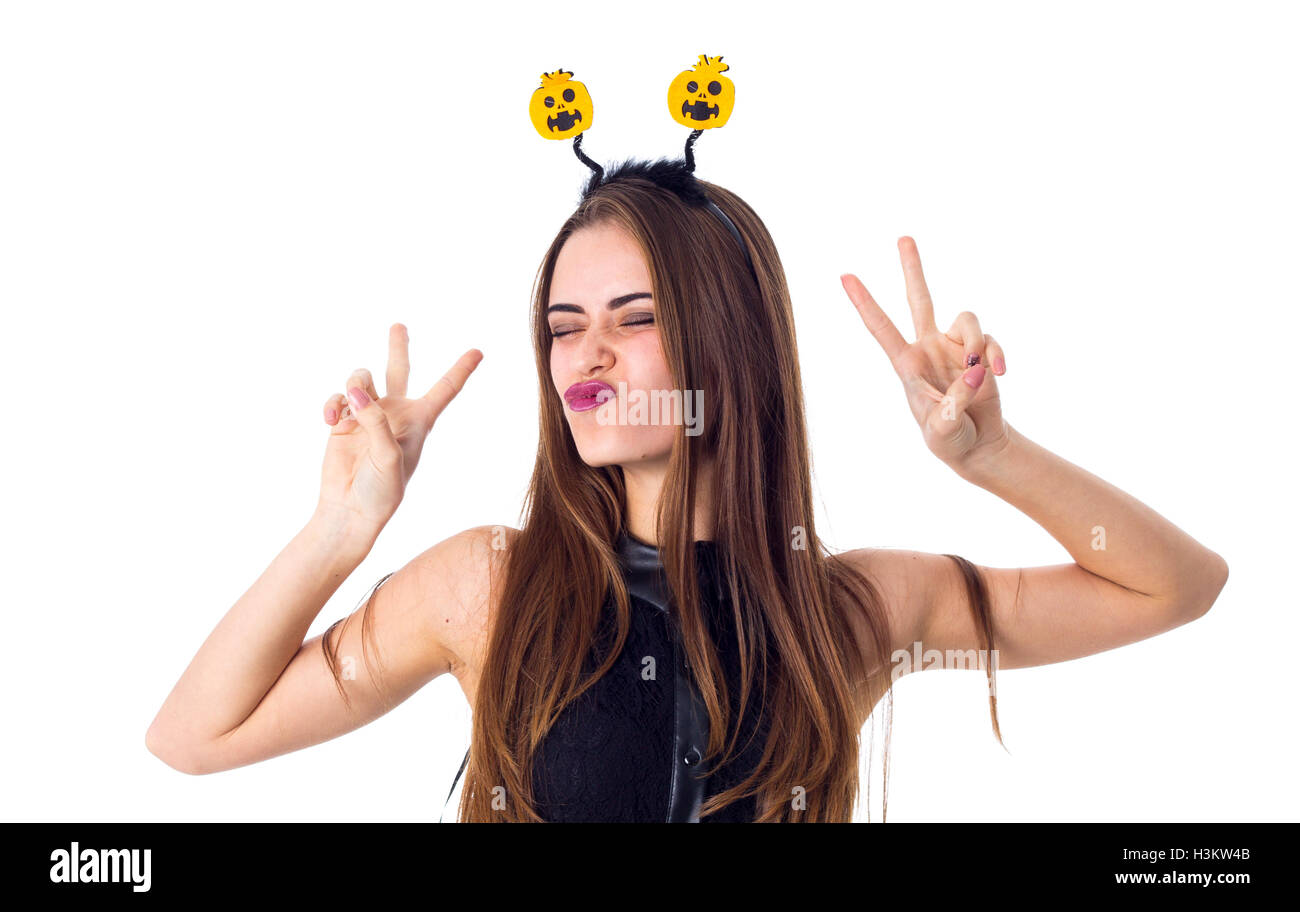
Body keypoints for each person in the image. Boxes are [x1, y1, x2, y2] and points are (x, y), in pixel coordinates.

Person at [145, 159, 1229, 822]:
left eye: (635, 317)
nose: (588, 358)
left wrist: (992, 458)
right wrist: (341, 528)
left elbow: (1174, 589)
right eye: (564, 328)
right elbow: (193, 737)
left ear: (729, 340)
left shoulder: (855, 612)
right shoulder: (483, 587)